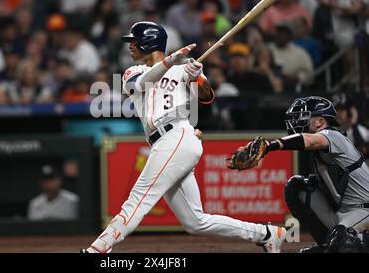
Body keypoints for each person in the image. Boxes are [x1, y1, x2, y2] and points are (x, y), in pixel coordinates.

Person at [81, 21, 286, 253]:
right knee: (195, 222)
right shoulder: (134, 71)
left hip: (176, 135)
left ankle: (98, 249)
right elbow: (140, 85)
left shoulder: (184, 68)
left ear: (149, 42)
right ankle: (267, 234)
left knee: (138, 199)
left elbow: (208, 97)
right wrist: (170, 62)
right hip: (165, 142)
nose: (130, 46)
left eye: (134, 41)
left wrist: (197, 77)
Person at [237, 96, 369, 252]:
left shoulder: (333, 136)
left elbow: (309, 140)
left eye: (304, 117)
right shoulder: (322, 144)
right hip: (342, 211)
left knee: (341, 242)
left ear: (320, 122)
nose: (297, 122)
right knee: (296, 187)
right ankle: (327, 245)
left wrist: (270, 145)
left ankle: (352, 242)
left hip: (363, 210)